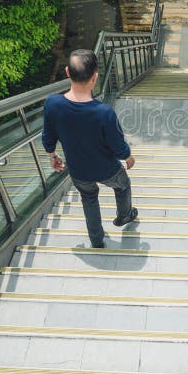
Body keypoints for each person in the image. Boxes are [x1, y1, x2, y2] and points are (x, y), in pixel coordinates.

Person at [42, 49, 137, 249]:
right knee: (123, 185)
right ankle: (124, 216)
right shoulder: (104, 112)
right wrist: (128, 157)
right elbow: (117, 144)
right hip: (107, 169)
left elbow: (48, 137)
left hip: (78, 170)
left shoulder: (52, 103)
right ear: (95, 77)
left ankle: (96, 239)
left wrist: (52, 155)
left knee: (89, 198)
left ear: (67, 72)